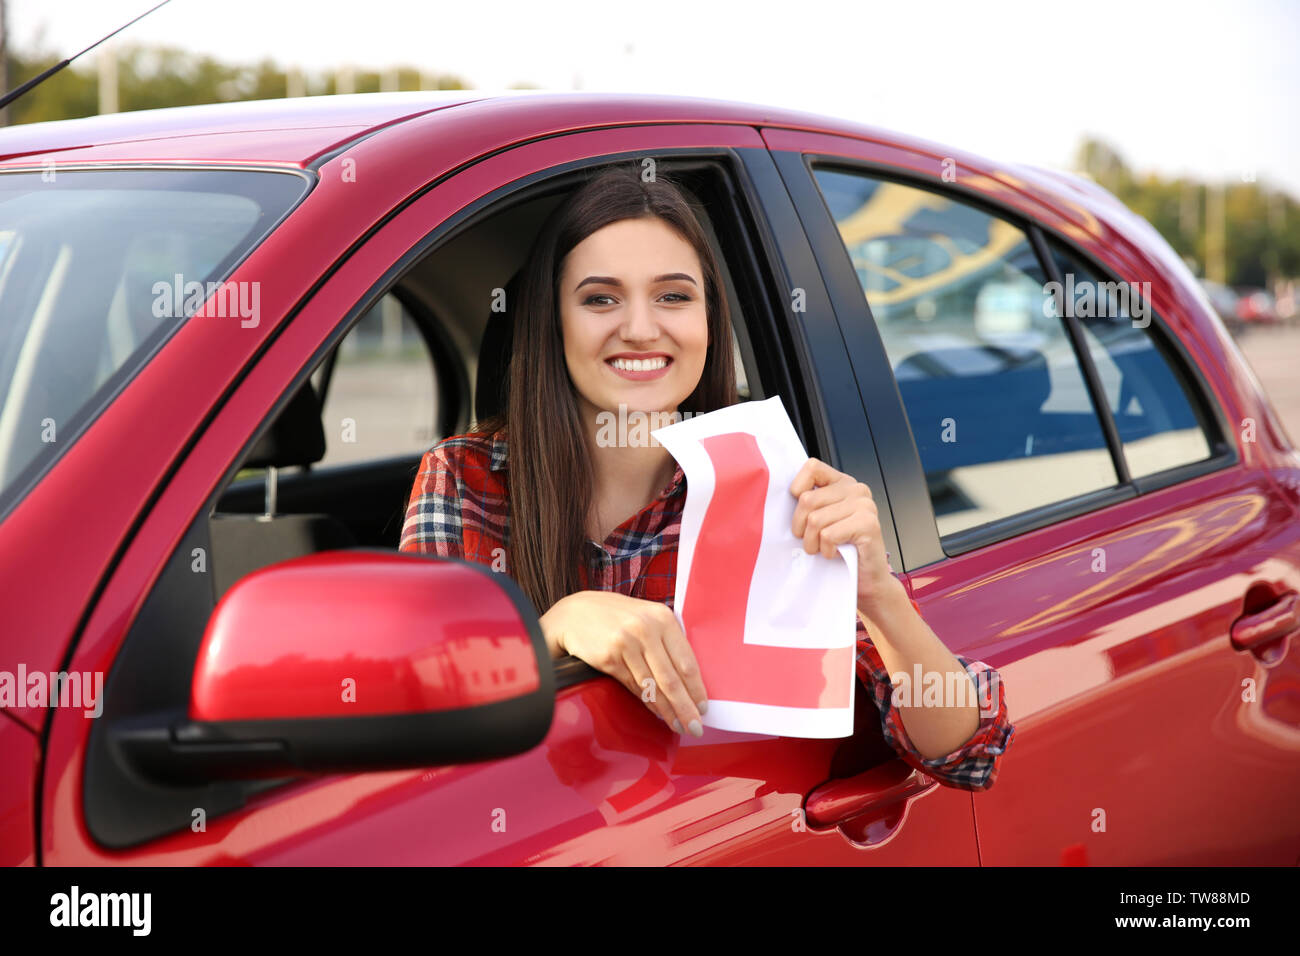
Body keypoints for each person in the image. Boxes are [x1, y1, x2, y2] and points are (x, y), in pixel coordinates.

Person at [399, 163, 1014, 790]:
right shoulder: (464, 479)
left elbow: (966, 753)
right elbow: (415, 714)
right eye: (600, 298)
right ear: (552, 323)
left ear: (709, 322)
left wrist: (877, 591)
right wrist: (554, 628)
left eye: (673, 295)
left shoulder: (774, 489)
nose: (640, 328)